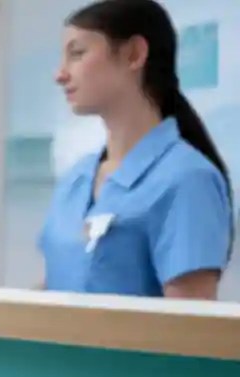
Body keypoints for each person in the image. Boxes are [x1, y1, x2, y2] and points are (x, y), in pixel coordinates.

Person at [40, 0, 234, 299]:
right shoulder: (75, 180)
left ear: (134, 54)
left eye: (77, 54)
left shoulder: (187, 180)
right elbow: (52, 288)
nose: (60, 74)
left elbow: (189, 322)